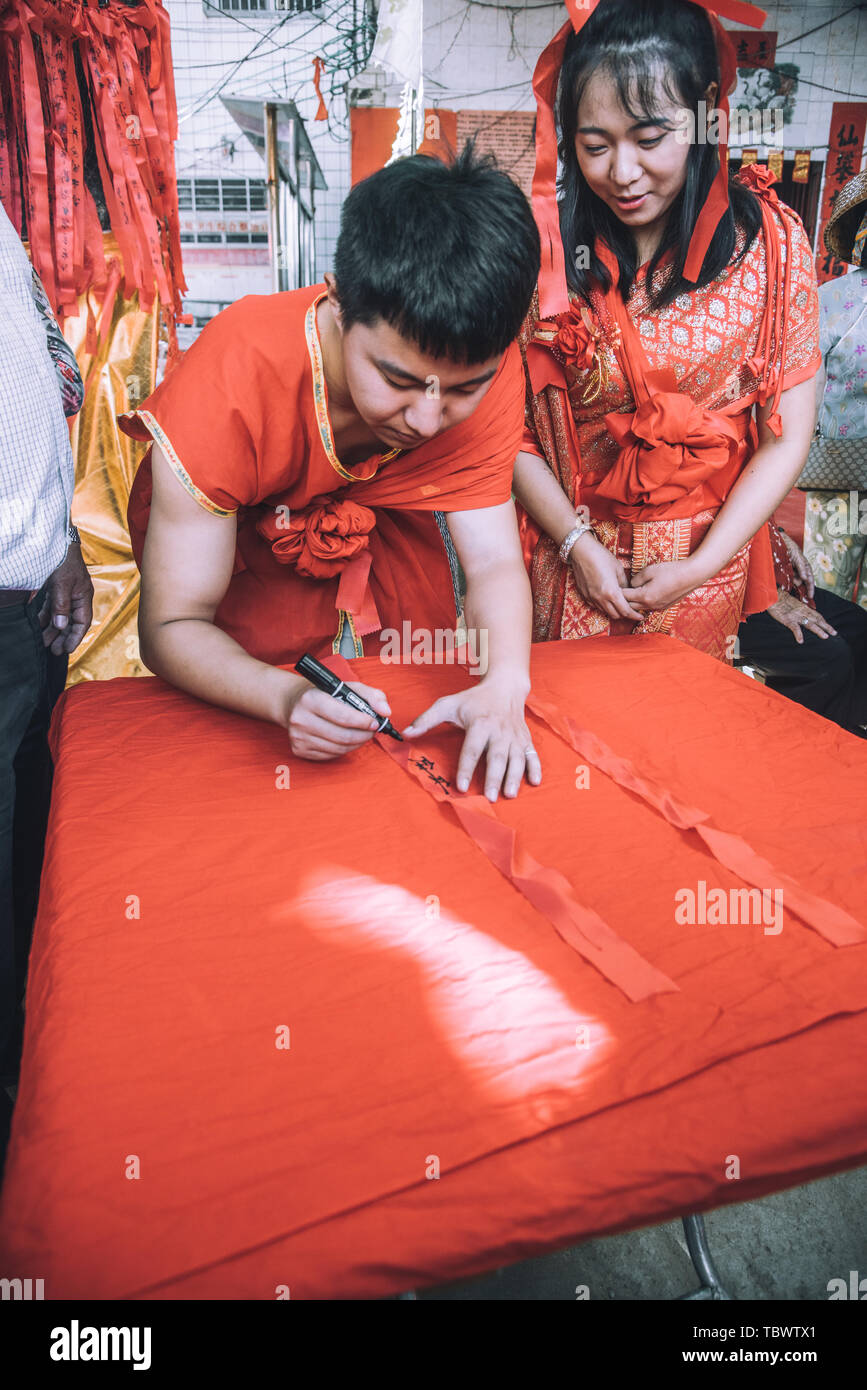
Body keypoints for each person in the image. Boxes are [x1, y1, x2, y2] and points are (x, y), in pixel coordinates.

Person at [119, 146, 543, 803]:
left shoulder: (490, 371)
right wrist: (283, 696)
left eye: (461, 390)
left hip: (393, 554)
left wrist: (503, 684)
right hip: (250, 571)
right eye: (398, 380)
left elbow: (489, 563)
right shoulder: (236, 375)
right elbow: (172, 626)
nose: (428, 422)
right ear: (340, 304)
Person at [514, 0, 820, 661]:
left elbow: (784, 436)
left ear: (706, 110)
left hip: (705, 577)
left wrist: (698, 567)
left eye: (649, 140)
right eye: (594, 146)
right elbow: (508, 435)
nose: (621, 173)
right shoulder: (537, 260)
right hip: (572, 575)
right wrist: (576, 546)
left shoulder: (771, 248)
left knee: (686, 743)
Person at [0, 199, 93, 1111]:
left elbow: (35, 371)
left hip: (31, 598)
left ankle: (32, 1074)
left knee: (32, 841)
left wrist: (61, 537)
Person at [799, 169, 867, 610]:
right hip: (842, 472)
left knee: (827, 592)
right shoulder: (827, 298)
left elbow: (810, 383)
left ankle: (832, 671)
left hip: (839, 469)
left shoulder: (830, 297)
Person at [737, 523, 867, 737]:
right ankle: (802, 745)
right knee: (827, 656)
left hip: (774, 582)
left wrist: (780, 537)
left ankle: (842, 737)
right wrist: (767, 592)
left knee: (858, 627)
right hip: (730, 594)